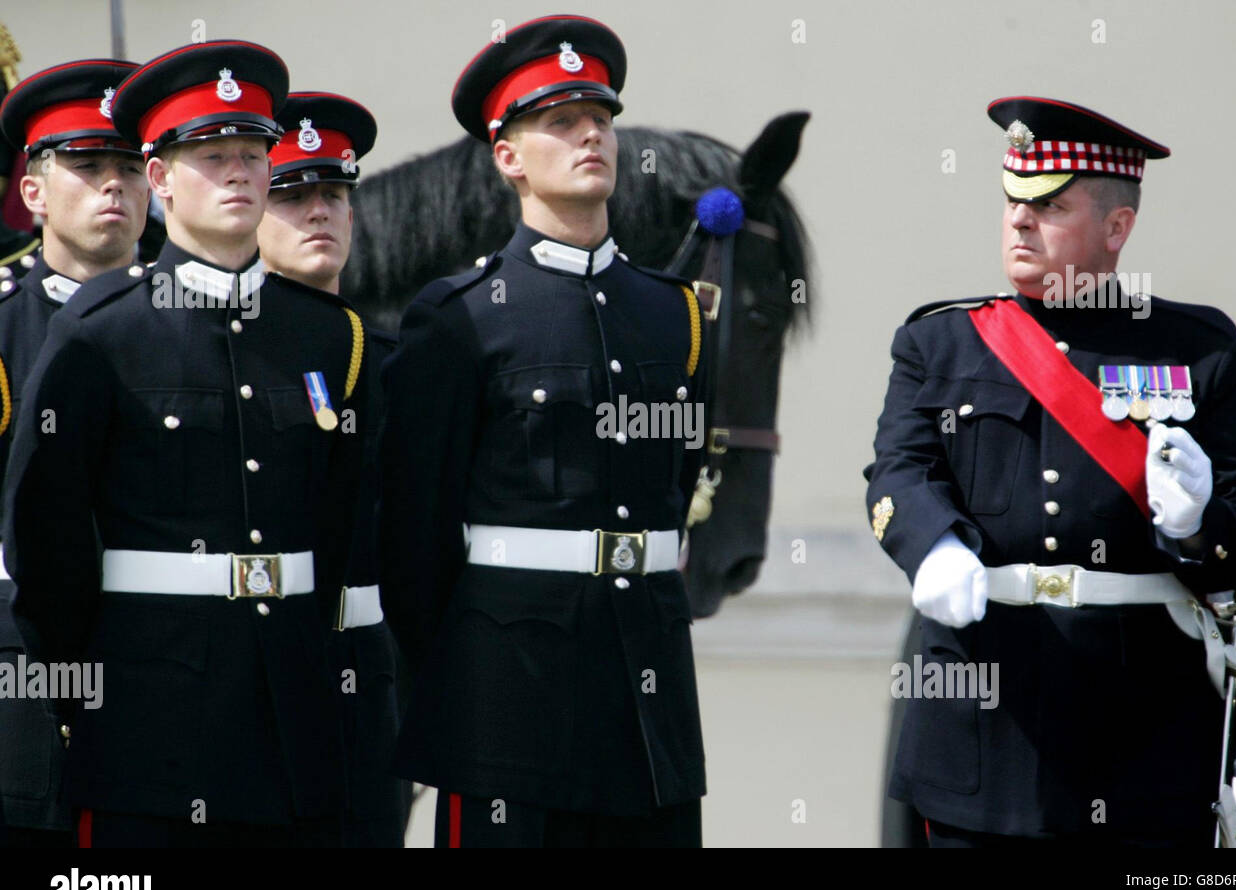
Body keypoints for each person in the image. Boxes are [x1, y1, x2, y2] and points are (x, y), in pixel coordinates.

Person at [865, 96, 1236, 847]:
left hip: (1144, 741)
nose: (1020, 221)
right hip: (986, 723)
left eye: (1050, 205)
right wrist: (933, 544)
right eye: (1012, 201)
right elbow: (899, 470)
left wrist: (1195, 524)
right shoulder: (942, 343)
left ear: (1117, 228)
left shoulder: (1198, 349)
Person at [2, 40, 368, 847]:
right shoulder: (100, 334)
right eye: (209, 155)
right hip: (148, 723)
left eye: (251, 152)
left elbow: (346, 531)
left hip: (292, 719)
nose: (238, 171)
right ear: (160, 179)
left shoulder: (327, 335)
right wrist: (85, 698)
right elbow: (49, 544)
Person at [378, 14, 707, 847]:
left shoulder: (673, 314)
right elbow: (415, 535)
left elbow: (679, 488)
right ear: (509, 157)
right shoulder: (458, 319)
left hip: (648, 693)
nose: (591, 133)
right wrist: (465, 676)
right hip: (508, 701)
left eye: (600, 117)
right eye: (561, 121)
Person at [0, 57, 148, 848]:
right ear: (33, 192)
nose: (113, 189)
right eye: (88, 168)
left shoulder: (196, 322)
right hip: (18, 661)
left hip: (161, 654)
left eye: (129, 168)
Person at [257, 90, 407, 847]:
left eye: (334, 194)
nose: (320, 211)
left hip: (368, 677)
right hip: (253, 675)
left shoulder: (398, 365)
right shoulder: (226, 352)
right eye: (293, 194)